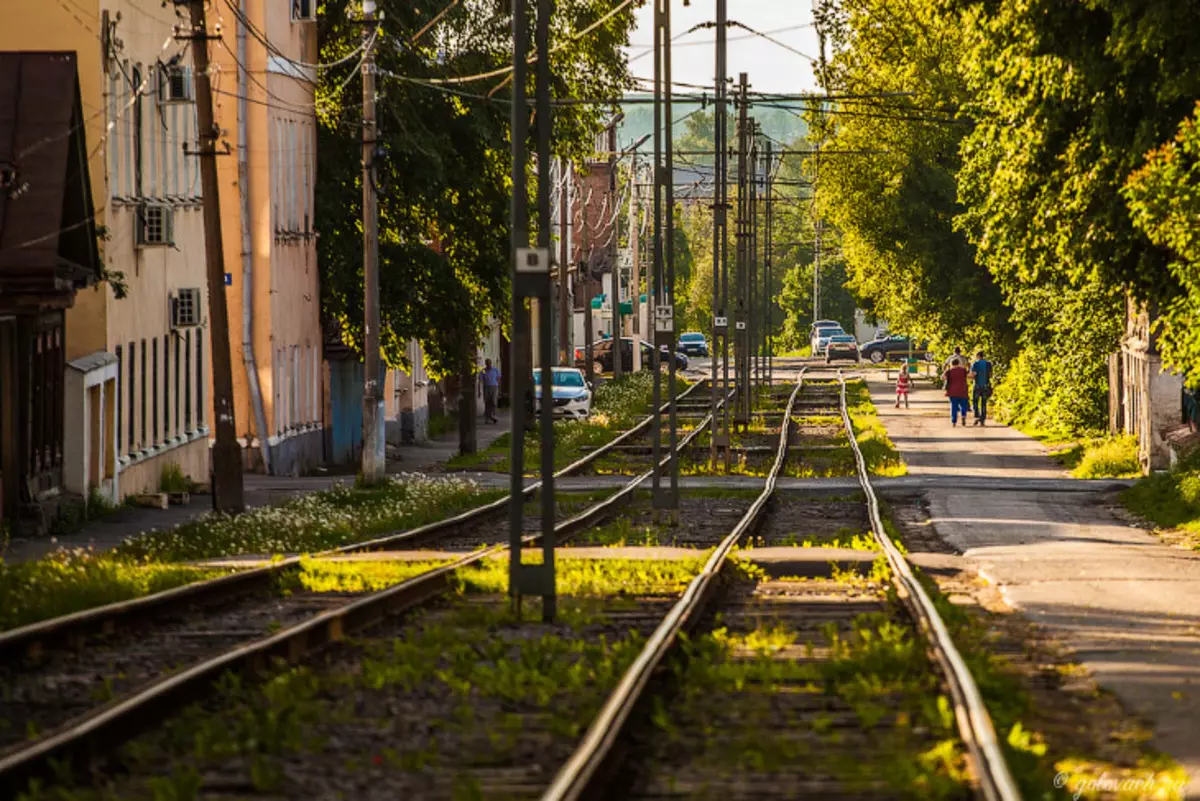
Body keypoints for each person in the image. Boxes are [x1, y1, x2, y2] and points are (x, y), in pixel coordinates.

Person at [944, 357, 970, 426]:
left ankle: (954, 421)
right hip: (963, 391)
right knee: (963, 406)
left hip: (952, 392)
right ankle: (963, 416)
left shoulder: (949, 371)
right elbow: (969, 376)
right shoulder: (963, 370)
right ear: (958, 364)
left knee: (954, 407)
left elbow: (943, 377)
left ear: (951, 364)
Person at [970, 350, 993, 426]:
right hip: (986, 386)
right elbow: (990, 375)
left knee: (975, 402)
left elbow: (972, 375)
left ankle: (977, 416)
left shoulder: (975, 364)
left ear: (978, 356)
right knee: (984, 403)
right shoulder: (988, 364)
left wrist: (972, 378)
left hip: (977, 386)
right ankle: (982, 419)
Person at [480, 358, 501, 424]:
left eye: (489, 363)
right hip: (486, 387)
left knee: (494, 402)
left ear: (491, 363)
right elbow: (481, 380)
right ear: (486, 364)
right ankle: (487, 418)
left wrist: (498, 386)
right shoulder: (483, 371)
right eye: (487, 363)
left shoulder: (495, 370)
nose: (488, 365)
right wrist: (480, 389)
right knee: (487, 402)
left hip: (494, 387)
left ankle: (493, 415)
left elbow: (498, 378)